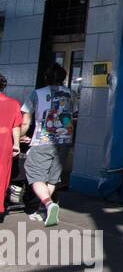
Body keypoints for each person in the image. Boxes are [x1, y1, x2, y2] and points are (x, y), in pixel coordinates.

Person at [20, 63, 76, 227]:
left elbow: (25, 122)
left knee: (35, 175)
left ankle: (49, 204)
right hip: (64, 140)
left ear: (46, 77)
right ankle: (42, 208)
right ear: (63, 77)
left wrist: (21, 136)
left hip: (42, 141)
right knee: (52, 178)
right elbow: (72, 115)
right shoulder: (72, 94)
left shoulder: (36, 94)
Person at [0, 73, 21, 223]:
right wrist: (16, 144)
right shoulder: (13, 103)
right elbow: (16, 126)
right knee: (2, 175)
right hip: (4, 142)